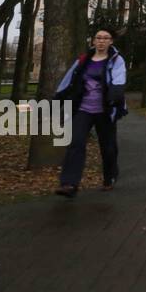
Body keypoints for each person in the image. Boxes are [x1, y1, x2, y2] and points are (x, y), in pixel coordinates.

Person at [53, 28, 128, 197]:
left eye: (105, 38)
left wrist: (114, 97)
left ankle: (110, 177)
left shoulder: (116, 60)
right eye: (98, 38)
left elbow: (119, 79)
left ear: (111, 42)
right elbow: (68, 80)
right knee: (76, 144)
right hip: (83, 109)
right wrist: (57, 99)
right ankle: (69, 184)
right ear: (93, 41)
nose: (101, 41)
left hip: (105, 110)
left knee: (108, 148)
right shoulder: (83, 60)